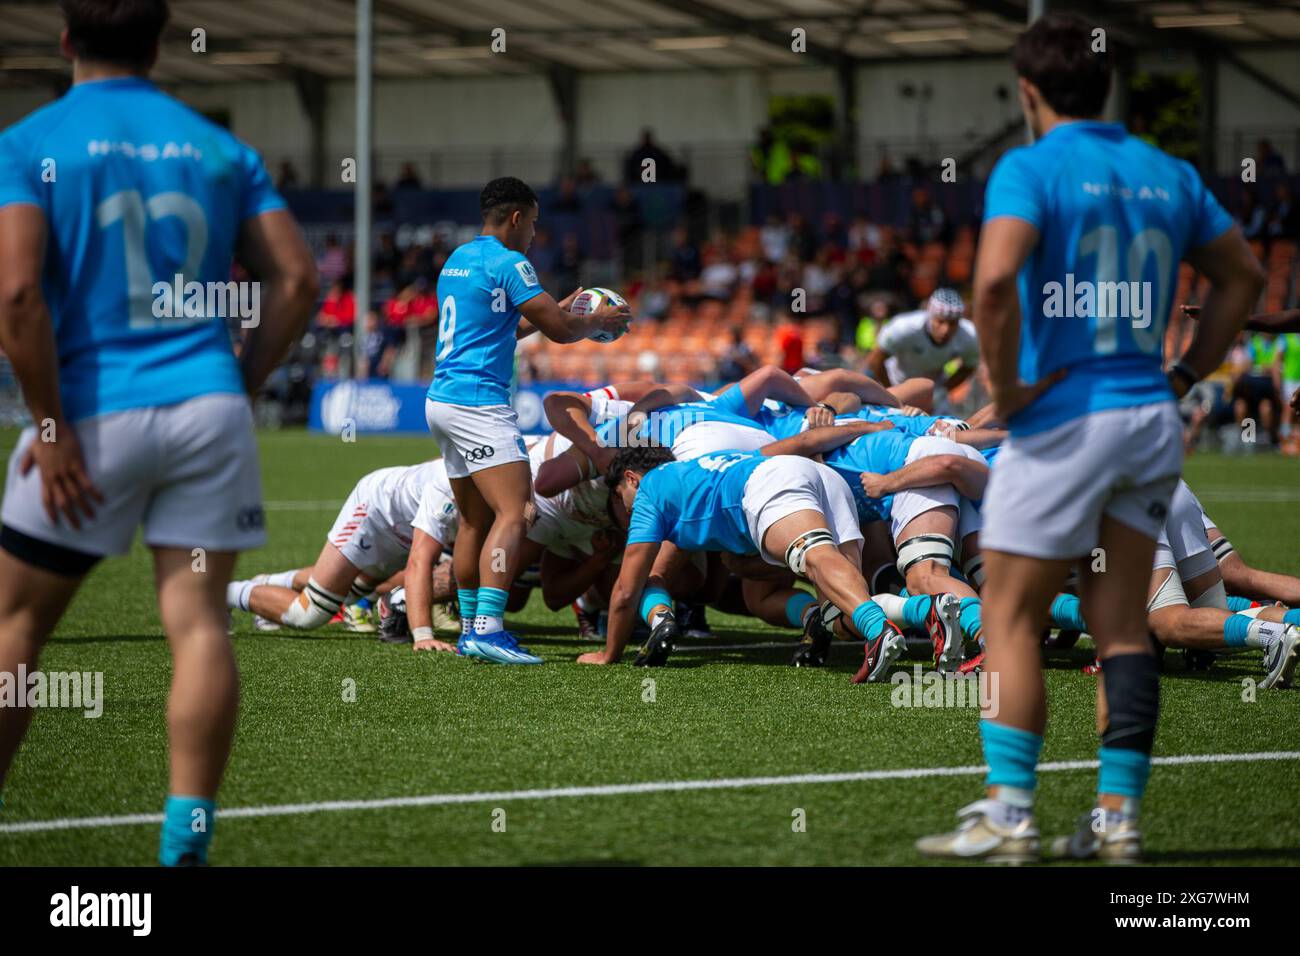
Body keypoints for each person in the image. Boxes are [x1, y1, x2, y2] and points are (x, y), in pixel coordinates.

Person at [917, 13, 1262, 865]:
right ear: (1105, 86)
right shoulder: (1165, 171)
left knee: (1008, 613)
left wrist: (1008, 388)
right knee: (1122, 630)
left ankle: (1010, 815)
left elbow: (994, 282)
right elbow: (1244, 277)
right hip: (1149, 419)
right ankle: (1118, 824)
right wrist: (1184, 376)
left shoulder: (1030, 167)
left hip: (1063, 418)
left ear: (1029, 93)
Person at [0, 0, 318, 865]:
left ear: (66, 40)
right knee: (200, 626)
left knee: (16, 631)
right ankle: (187, 843)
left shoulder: (30, 144)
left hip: (93, 414)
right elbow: (295, 278)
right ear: (159, 43)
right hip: (206, 413)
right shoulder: (219, 147)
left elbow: (18, 297)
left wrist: (52, 425)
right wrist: (241, 386)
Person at [426, 176, 628, 665]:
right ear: (516, 218)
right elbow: (559, 333)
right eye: (534, 223)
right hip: (480, 403)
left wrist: (547, 314)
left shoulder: (458, 260)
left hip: (441, 401)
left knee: (475, 519)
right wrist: (595, 323)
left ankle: (471, 626)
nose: (535, 233)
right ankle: (490, 630)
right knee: (515, 513)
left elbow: (501, 329)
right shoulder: (511, 262)